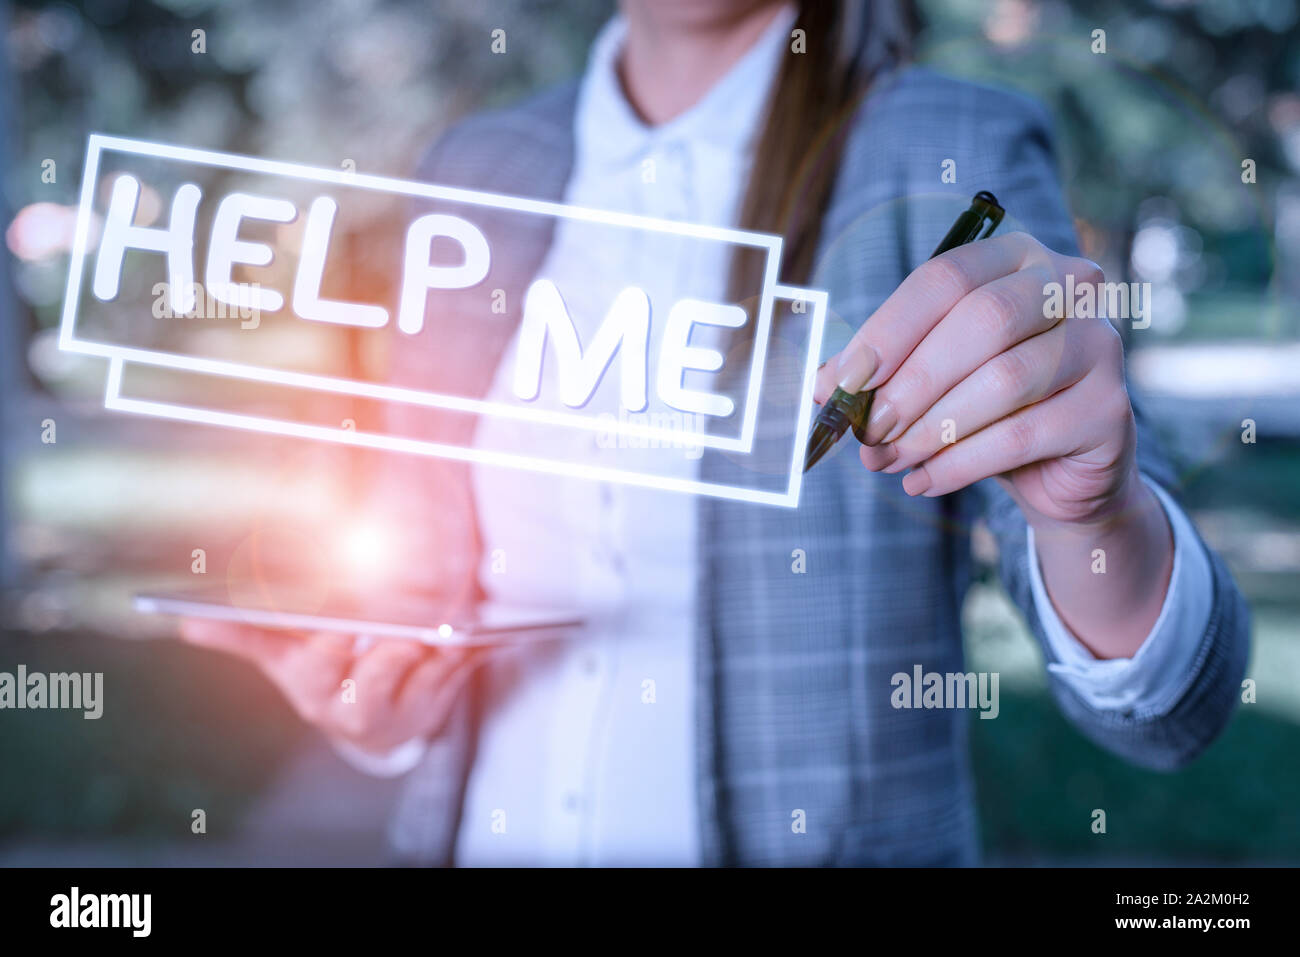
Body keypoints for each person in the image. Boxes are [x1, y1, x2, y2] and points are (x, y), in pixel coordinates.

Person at [180, 0, 1250, 866]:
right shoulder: (476, 168)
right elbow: (424, 577)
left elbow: (1167, 710)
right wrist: (381, 708)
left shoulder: (943, 147)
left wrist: (1091, 513)